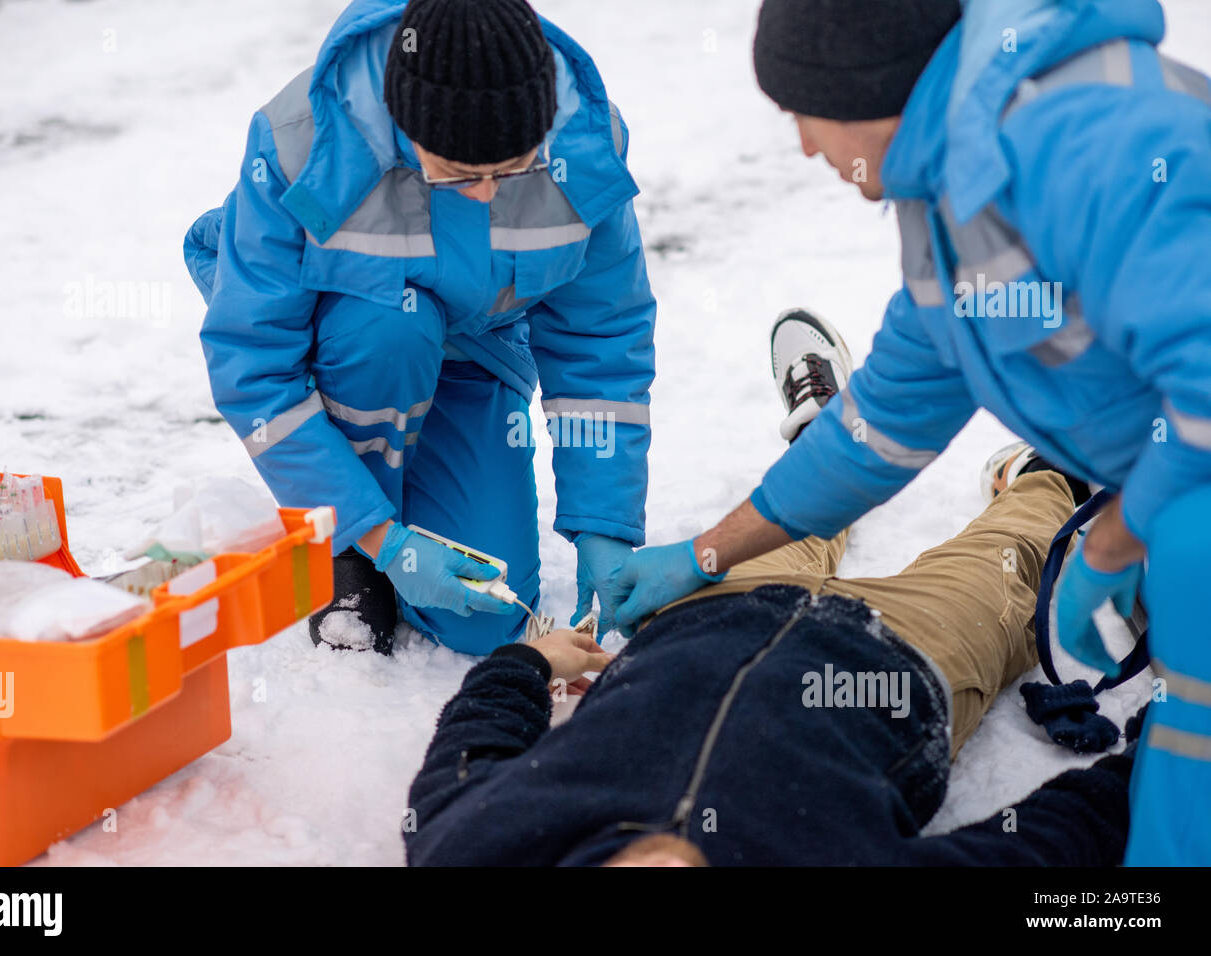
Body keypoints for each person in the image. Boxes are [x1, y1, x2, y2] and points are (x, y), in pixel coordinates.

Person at [608, 0, 1211, 866]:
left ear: (864, 93)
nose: (808, 149)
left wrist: (1116, 542)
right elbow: (877, 426)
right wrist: (705, 554)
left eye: (802, 118)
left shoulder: (1084, 140)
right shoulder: (952, 199)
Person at [403, 314, 1136, 866]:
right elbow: (1050, 845)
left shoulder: (473, 850)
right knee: (1010, 560)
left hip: (707, 621)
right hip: (898, 662)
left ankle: (825, 437)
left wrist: (532, 664)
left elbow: (470, 745)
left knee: (786, 520)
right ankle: (1048, 478)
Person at [182, 0, 655, 656]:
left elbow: (601, 335)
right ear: (406, 125)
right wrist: (382, 541)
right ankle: (349, 543)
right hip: (354, 326)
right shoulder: (300, 145)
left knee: (484, 617)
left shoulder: (584, 141)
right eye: (461, 175)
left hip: (473, 346)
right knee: (388, 330)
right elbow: (255, 365)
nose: (489, 194)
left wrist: (605, 524)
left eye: (512, 170)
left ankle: (401, 482)